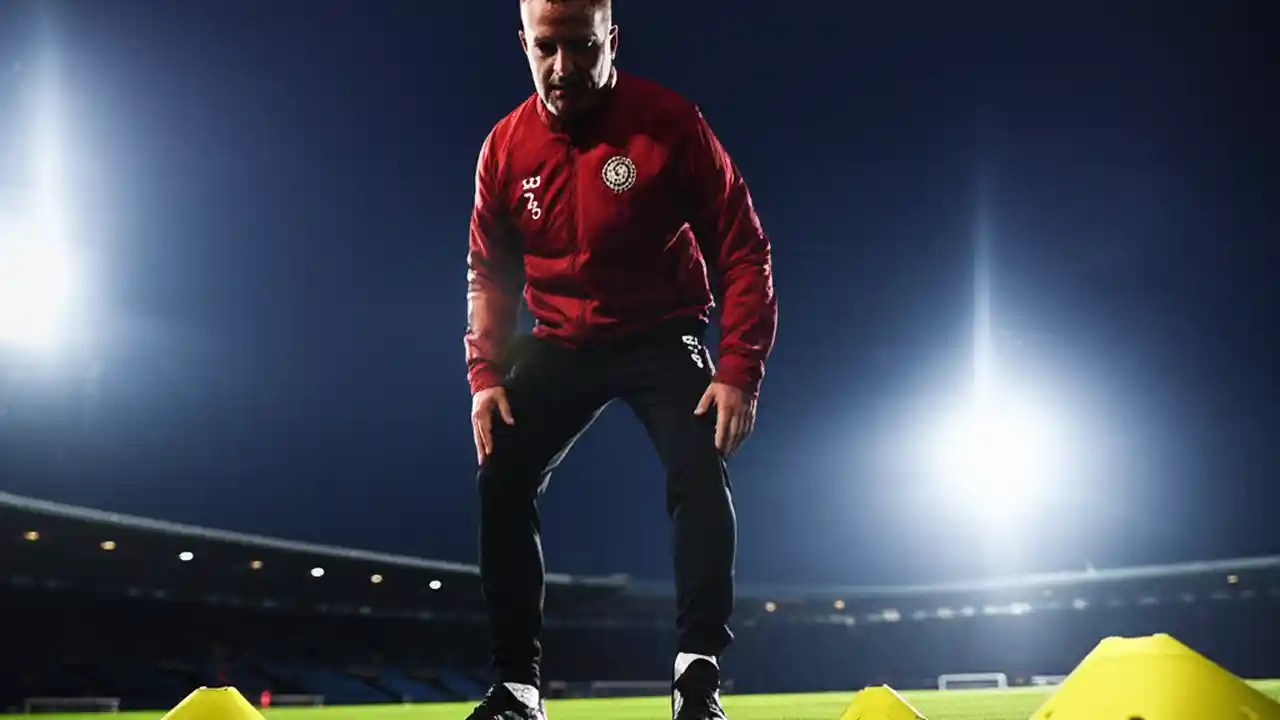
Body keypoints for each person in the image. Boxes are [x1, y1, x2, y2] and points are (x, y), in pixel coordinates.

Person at [462, 0, 777, 718]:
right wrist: (485, 376)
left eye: (581, 46)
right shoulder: (505, 148)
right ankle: (516, 690)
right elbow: (488, 271)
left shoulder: (671, 124)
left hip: (659, 332)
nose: (562, 66)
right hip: (560, 341)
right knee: (501, 476)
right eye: (546, 48)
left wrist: (739, 368)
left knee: (698, 467)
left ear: (612, 39)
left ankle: (697, 677)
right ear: (523, 43)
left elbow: (743, 249)